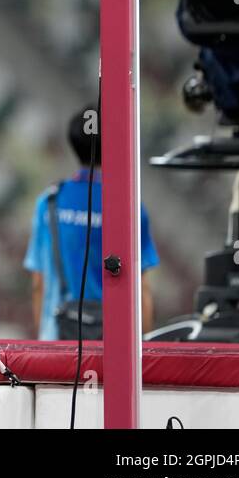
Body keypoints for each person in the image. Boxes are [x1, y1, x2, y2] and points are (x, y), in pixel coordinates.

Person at [24, 105, 159, 340]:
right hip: (114, 343)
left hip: (57, 339)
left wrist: (44, 338)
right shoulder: (128, 207)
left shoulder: (49, 202)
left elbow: (39, 283)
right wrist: (144, 349)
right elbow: (142, 288)